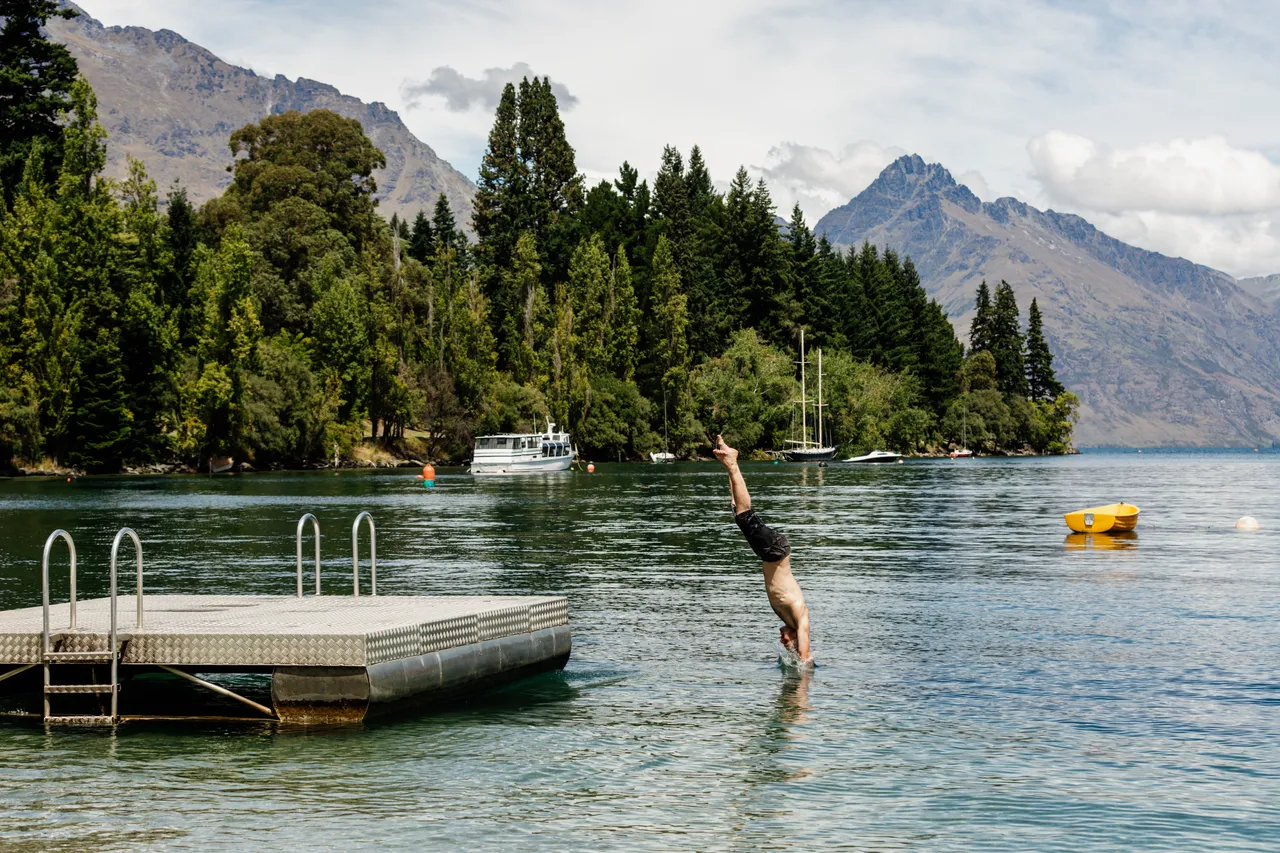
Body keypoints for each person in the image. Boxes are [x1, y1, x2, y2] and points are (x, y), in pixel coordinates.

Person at [712, 435, 812, 663]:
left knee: (739, 512)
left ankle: (729, 462)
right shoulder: (800, 617)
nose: (782, 639)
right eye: (787, 641)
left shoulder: (789, 619)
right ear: (797, 637)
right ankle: (732, 462)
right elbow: (806, 652)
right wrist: (802, 681)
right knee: (744, 515)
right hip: (775, 551)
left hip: (772, 553)